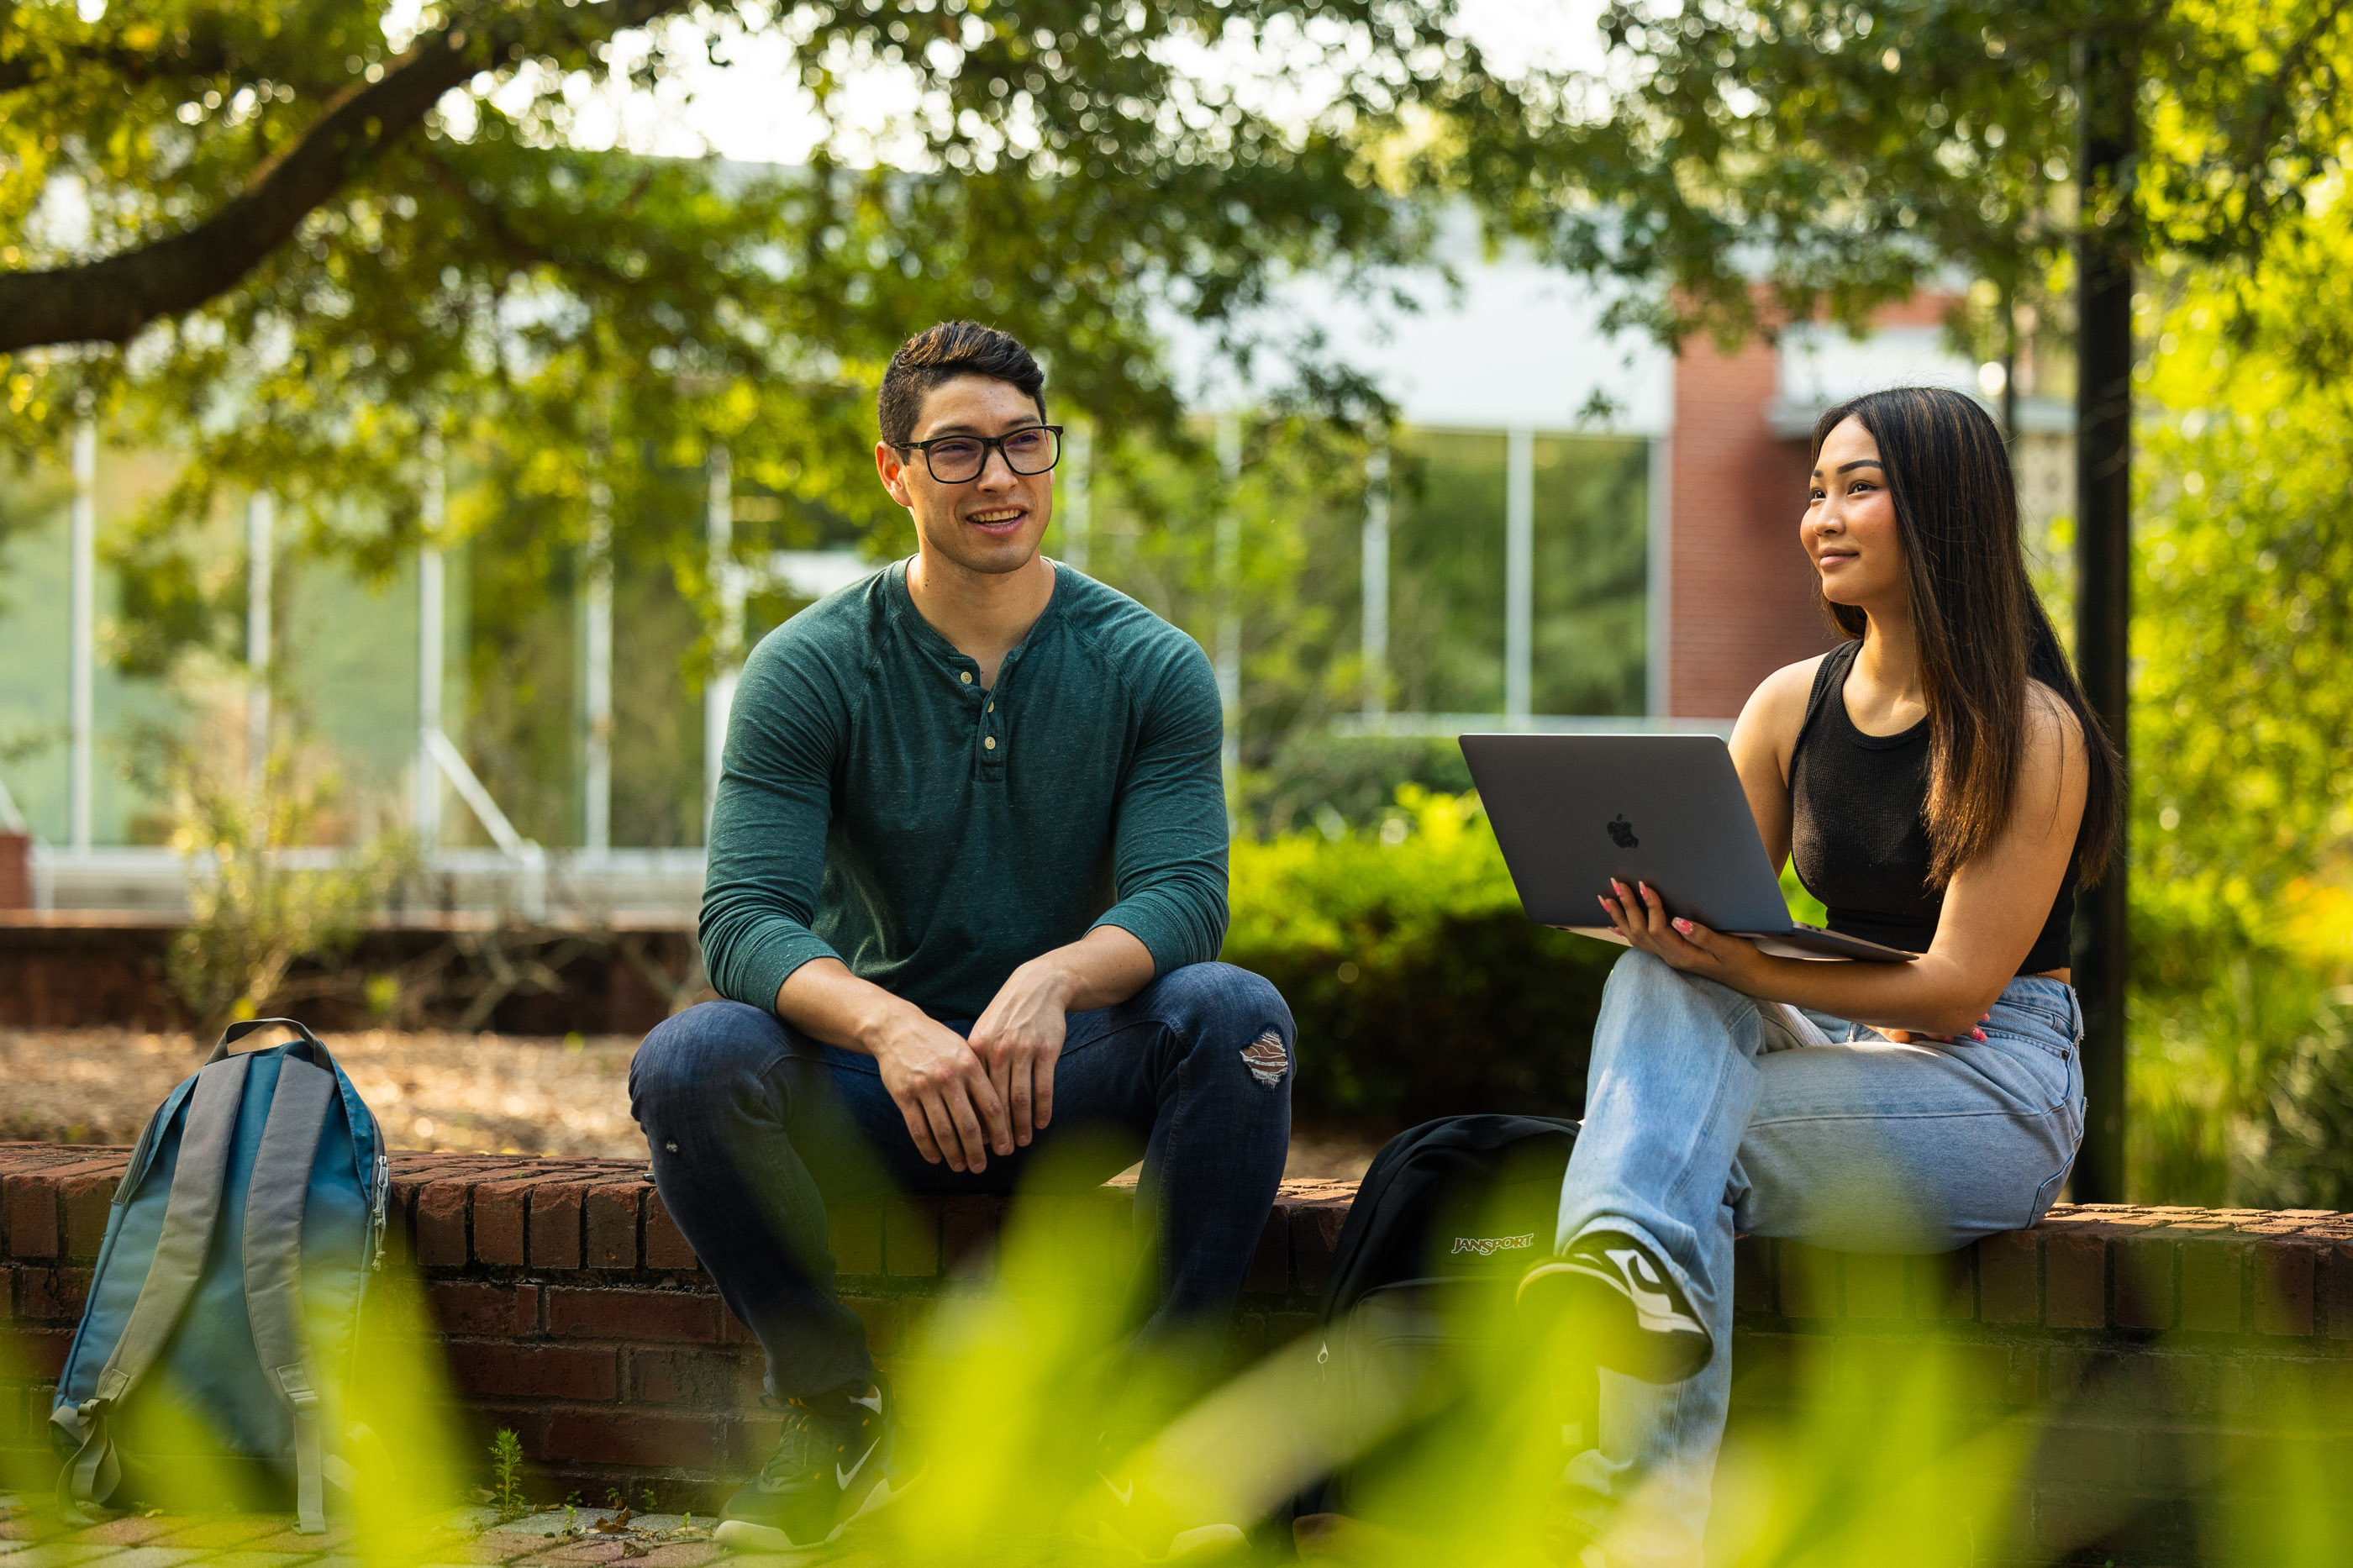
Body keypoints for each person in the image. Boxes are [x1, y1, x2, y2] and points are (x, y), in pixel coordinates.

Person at [629, 321, 1296, 1557]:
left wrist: (1054, 978)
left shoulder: (1149, 665)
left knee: (1236, 1015)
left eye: (1024, 444)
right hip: (874, 1091)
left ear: (1052, 458)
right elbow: (742, 920)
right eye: (957, 450)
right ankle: (838, 1421)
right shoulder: (809, 667)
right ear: (895, 471)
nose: (998, 476)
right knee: (692, 1060)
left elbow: (1184, 896)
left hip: (1073, 1073)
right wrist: (889, 1026)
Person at [1518, 386, 2116, 1566]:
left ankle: (1632, 1520)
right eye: (1815, 489)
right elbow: (1717, 924)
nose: (1821, 516)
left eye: (1857, 486)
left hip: (1999, 1078)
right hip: (1846, 1051)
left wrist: (1742, 957)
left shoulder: (2030, 729)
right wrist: (1651, 922)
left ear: (1942, 512)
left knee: (1679, 1145)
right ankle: (1628, 1287)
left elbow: (1954, 990)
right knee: (1658, 981)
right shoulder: (1791, 704)